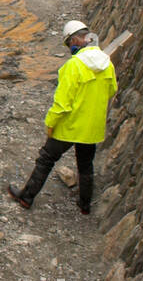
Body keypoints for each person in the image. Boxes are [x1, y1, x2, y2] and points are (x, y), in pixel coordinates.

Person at [8, 21, 117, 216]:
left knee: (46, 159)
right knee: (85, 165)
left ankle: (26, 197)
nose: (69, 48)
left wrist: (50, 123)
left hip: (69, 126)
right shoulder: (107, 63)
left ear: (76, 40)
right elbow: (112, 90)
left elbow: (62, 103)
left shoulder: (74, 65)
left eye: (69, 43)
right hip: (92, 127)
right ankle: (85, 206)